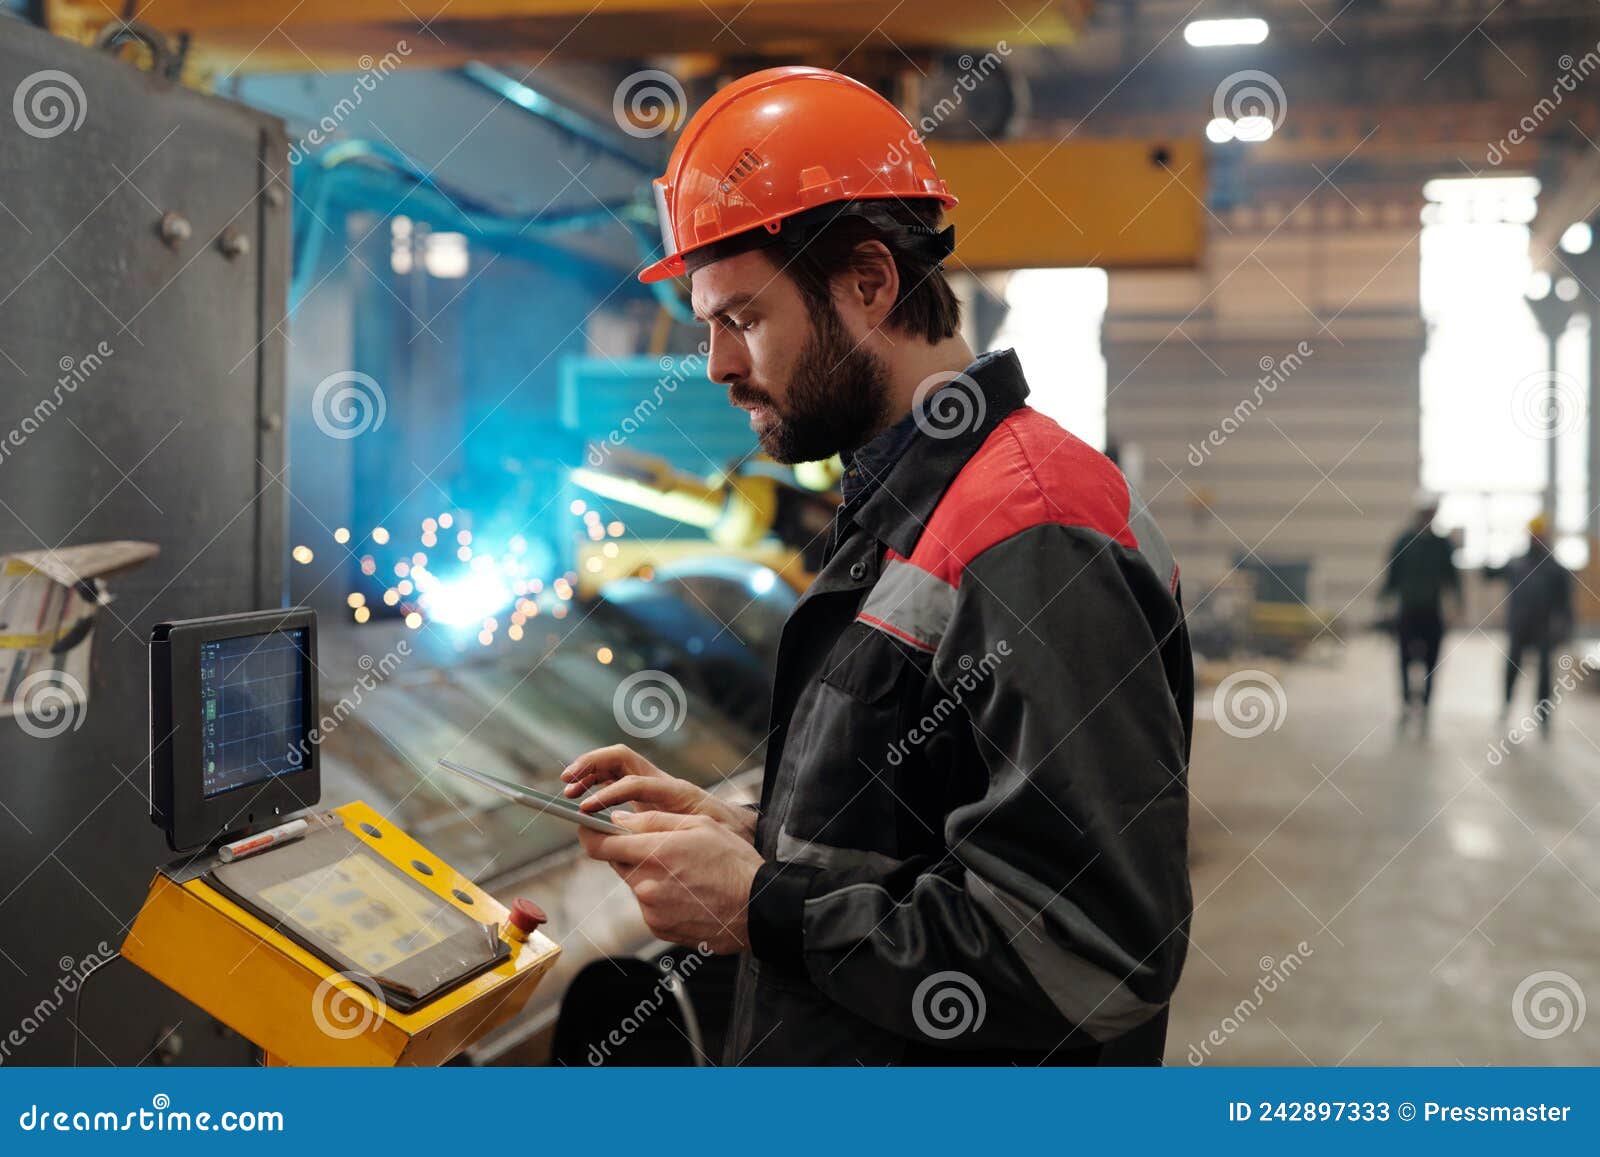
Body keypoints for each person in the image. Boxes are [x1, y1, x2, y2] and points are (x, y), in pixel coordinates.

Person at [562, 66, 1192, 1066]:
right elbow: (931, 815)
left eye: (743, 319)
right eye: (708, 327)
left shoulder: (1029, 526)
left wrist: (761, 903)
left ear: (867, 282)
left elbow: (1086, 953)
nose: (719, 367)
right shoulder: (912, 504)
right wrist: (754, 831)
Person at [1381, 490, 1460, 728]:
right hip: (1408, 611)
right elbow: (1392, 575)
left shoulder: (1442, 545)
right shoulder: (1404, 541)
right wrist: (1384, 603)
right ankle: (1406, 700)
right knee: (1405, 658)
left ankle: (1425, 703)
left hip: (1431, 612)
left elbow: (1452, 578)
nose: (1428, 517)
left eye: (1431, 513)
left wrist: (1457, 604)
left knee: (1431, 660)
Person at [1488, 515, 1573, 725]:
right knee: (1512, 668)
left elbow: (1565, 603)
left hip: (1543, 628)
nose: (1536, 539)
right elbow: (1490, 573)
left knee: (1545, 673)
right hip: (1519, 625)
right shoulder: (1517, 564)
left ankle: (1543, 715)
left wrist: (1564, 629)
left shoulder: (1555, 568)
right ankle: (1506, 706)